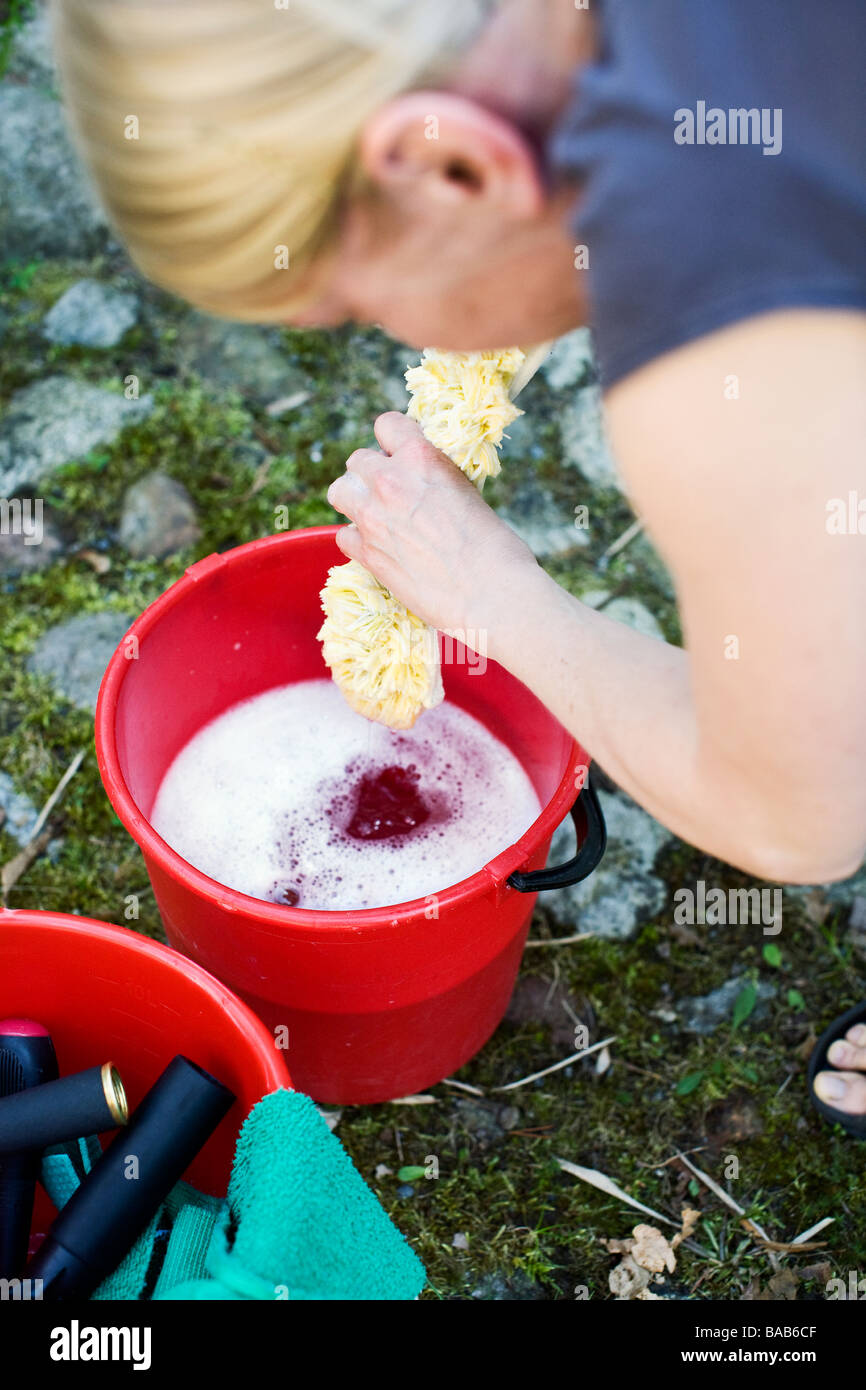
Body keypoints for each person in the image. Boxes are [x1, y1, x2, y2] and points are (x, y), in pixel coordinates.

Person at [50, 0, 866, 1129]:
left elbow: (801, 816)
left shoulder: (715, 342)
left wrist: (493, 600)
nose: (379, 332)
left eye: (346, 301)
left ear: (448, 168)